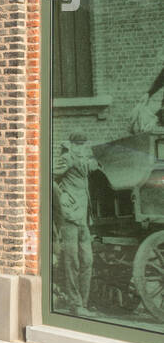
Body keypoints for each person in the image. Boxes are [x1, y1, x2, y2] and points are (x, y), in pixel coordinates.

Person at [53, 132, 98, 315]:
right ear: (71, 144)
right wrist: (62, 196)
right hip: (70, 218)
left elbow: (86, 170)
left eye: (83, 144)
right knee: (72, 262)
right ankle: (75, 304)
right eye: (77, 144)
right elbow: (47, 177)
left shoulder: (83, 160)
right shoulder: (66, 159)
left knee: (87, 260)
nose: (80, 147)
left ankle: (83, 304)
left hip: (83, 219)